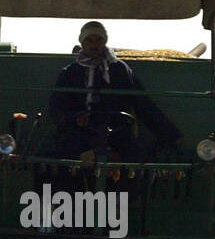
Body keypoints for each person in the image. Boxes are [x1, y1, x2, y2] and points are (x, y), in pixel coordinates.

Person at [48, 21, 181, 162]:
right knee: (50, 164)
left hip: (115, 131)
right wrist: (74, 118)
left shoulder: (119, 70)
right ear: (82, 42)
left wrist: (171, 135)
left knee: (139, 158)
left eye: (98, 39)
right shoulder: (70, 72)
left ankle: (129, 182)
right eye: (89, 40)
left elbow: (142, 103)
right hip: (80, 130)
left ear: (104, 41)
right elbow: (57, 107)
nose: (94, 44)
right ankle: (50, 185)